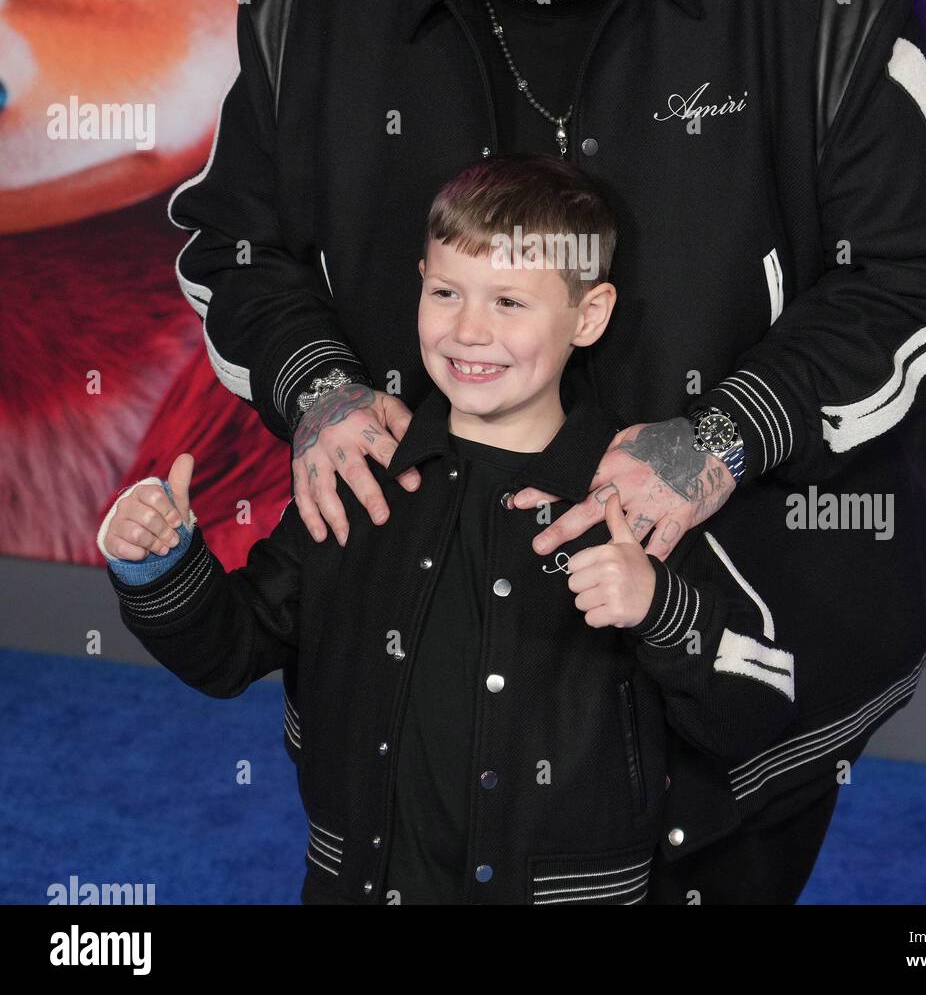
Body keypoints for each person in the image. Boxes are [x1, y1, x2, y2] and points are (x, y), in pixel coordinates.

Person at [148, 0, 926, 902]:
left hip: (733, 646)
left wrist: (724, 433)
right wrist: (316, 383)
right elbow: (234, 243)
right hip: (416, 661)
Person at [100, 154, 802, 906]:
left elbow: (762, 699)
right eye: (445, 292)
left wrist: (660, 607)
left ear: (589, 315)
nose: (469, 331)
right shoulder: (359, 479)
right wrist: (162, 565)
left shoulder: (632, 499)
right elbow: (229, 653)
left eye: (508, 302)